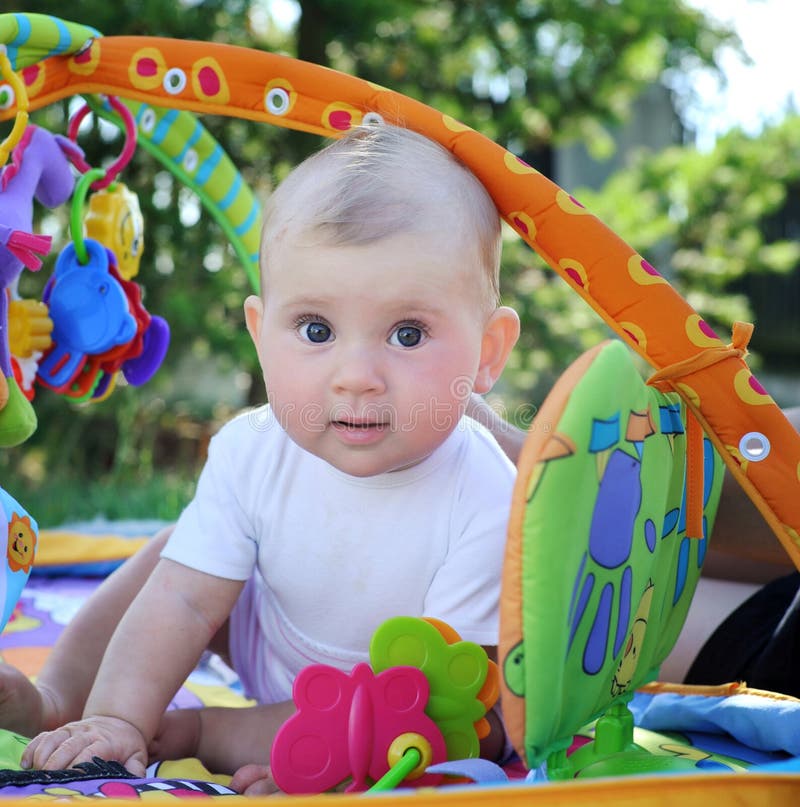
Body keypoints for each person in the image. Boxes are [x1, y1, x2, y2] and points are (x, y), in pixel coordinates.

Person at [0, 123, 521, 794]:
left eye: (408, 333)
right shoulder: (252, 449)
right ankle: (66, 698)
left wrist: (334, 755)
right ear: (260, 331)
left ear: (488, 351)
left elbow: (433, 702)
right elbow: (184, 603)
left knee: (483, 716)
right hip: (263, 632)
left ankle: (198, 733)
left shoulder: (485, 492)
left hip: (392, 697)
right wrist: (119, 717)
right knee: (176, 558)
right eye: (316, 330)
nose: (355, 374)